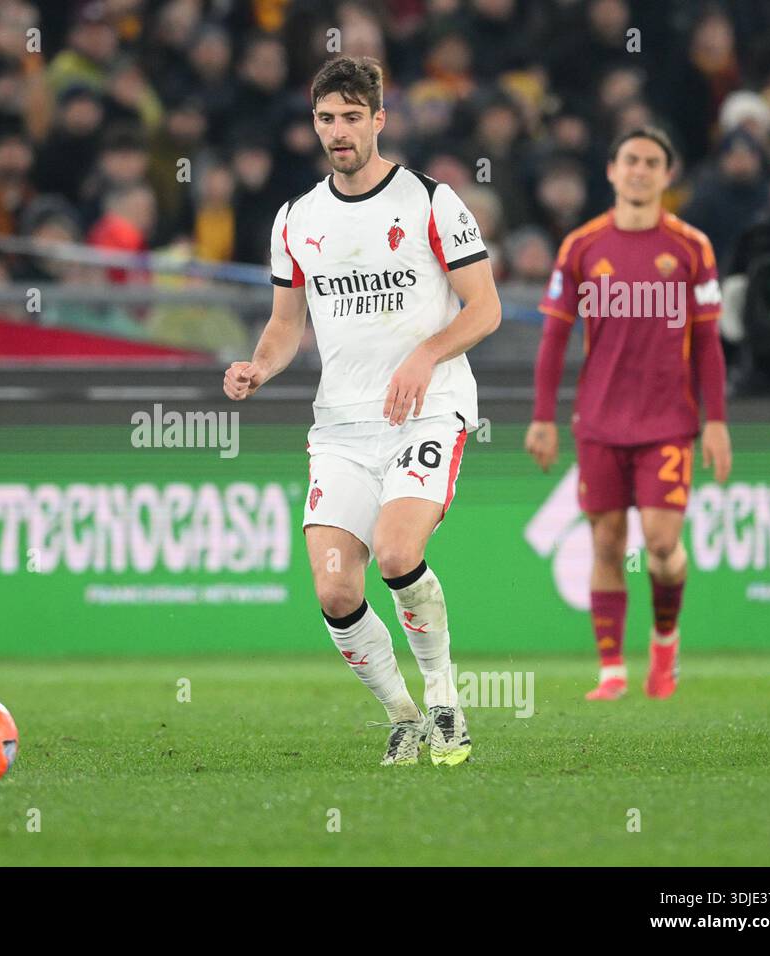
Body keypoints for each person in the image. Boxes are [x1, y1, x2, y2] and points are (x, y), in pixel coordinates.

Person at [223, 55, 501, 767]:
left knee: (400, 552)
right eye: (326, 118)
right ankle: (402, 716)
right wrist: (260, 364)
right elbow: (287, 325)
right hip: (343, 427)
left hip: (426, 410)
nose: (339, 131)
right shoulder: (297, 219)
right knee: (336, 584)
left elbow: (487, 308)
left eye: (352, 117)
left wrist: (425, 354)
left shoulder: (432, 202)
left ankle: (445, 703)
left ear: (379, 120)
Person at [526, 126, 732, 701]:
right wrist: (543, 417)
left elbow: (710, 344)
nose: (640, 171)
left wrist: (715, 422)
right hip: (599, 421)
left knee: (664, 545)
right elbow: (553, 338)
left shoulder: (693, 247)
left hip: (668, 421)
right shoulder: (582, 247)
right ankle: (612, 670)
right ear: (612, 171)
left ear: (668, 176)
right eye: (630, 161)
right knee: (607, 544)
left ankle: (665, 644)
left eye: (652, 163)